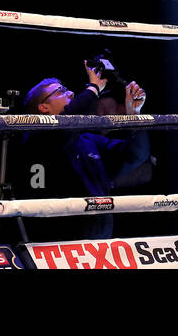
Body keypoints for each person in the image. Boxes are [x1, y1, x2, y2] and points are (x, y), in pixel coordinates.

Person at [14, 61, 151, 241]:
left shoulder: (86, 139)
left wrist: (134, 116)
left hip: (101, 240)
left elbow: (134, 155)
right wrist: (93, 88)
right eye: (61, 91)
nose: (71, 92)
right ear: (44, 107)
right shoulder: (36, 138)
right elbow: (67, 123)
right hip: (57, 243)